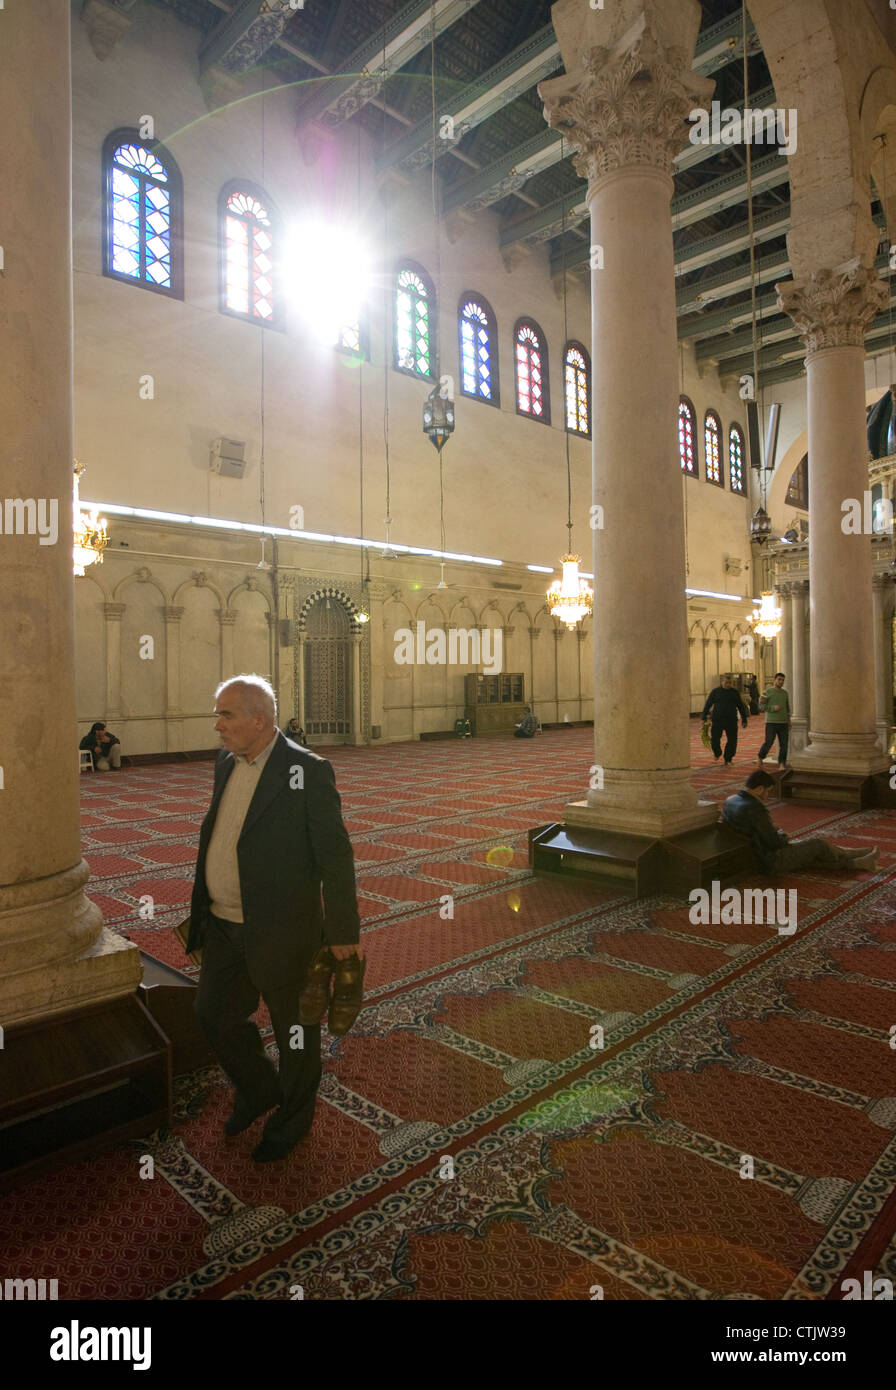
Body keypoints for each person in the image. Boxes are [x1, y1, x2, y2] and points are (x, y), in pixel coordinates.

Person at [187, 674, 363, 1163]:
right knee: (212, 1014)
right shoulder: (226, 762)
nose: (217, 725)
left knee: (296, 1033)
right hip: (224, 924)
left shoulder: (306, 771)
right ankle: (260, 1088)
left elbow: (335, 857)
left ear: (259, 720)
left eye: (226, 714)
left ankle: (291, 1123)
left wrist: (344, 933)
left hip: (285, 932)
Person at [722, 769, 878, 874]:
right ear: (760, 789)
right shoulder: (754, 808)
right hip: (768, 860)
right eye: (768, 791)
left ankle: (857, 861)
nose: (768, 796)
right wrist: (783, 835)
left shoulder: (730, 800)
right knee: (817, 845)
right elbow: (775, 843)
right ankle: (851, 857)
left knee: (808, 854)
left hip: (751, 857)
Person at [701, 675, 748, 765]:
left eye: (730, 683)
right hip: (717, 720)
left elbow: (740, 706)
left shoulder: (735, 692)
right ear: (722, 682)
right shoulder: (715, 692)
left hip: (731, 720)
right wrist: (704, 717)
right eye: (726, 682)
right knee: (714, 739)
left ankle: (728, 758)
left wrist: (744, 720)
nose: (728, 684)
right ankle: (717, 753)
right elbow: (708, 704)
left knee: (732, 740)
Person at [757, 672, 791, 769]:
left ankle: (781, 763)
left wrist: (789, 721)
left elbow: (787, 708)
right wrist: (772, 708)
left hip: (783, 723)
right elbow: (761, 706)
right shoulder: (767, 693)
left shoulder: (785, 693)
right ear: (774, 680)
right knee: (769, 742)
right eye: (779, 679)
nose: (781, 682)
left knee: (784, 745)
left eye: (783, 680)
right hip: (771, 722)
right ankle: (760, 757)